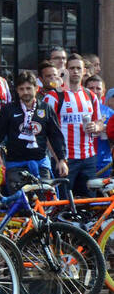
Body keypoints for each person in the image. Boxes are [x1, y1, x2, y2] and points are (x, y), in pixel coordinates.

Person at [0, 71, 67, 193]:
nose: (25, 92)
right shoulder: (8, 110)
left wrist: (61, 160)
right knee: (20, 205)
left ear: (36, 88)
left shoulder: (45, 108)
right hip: (16, 166)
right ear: (17, 90)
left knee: (44, 204)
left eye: (29, 88)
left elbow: (55, 136)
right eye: (22, 89)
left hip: (40, 164)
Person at [44, 54, 104, 198]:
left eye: (79, 68)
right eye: (72, 68)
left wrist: (96, 127)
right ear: (65, 70)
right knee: (63, 204)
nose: (75, 71)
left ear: (84, 71)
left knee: (89, 205)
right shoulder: (53, 96)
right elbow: (46, 132)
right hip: (65, 159)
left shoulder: (91, 96)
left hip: (88, 158)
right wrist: (58, 159)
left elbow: (100, 122)